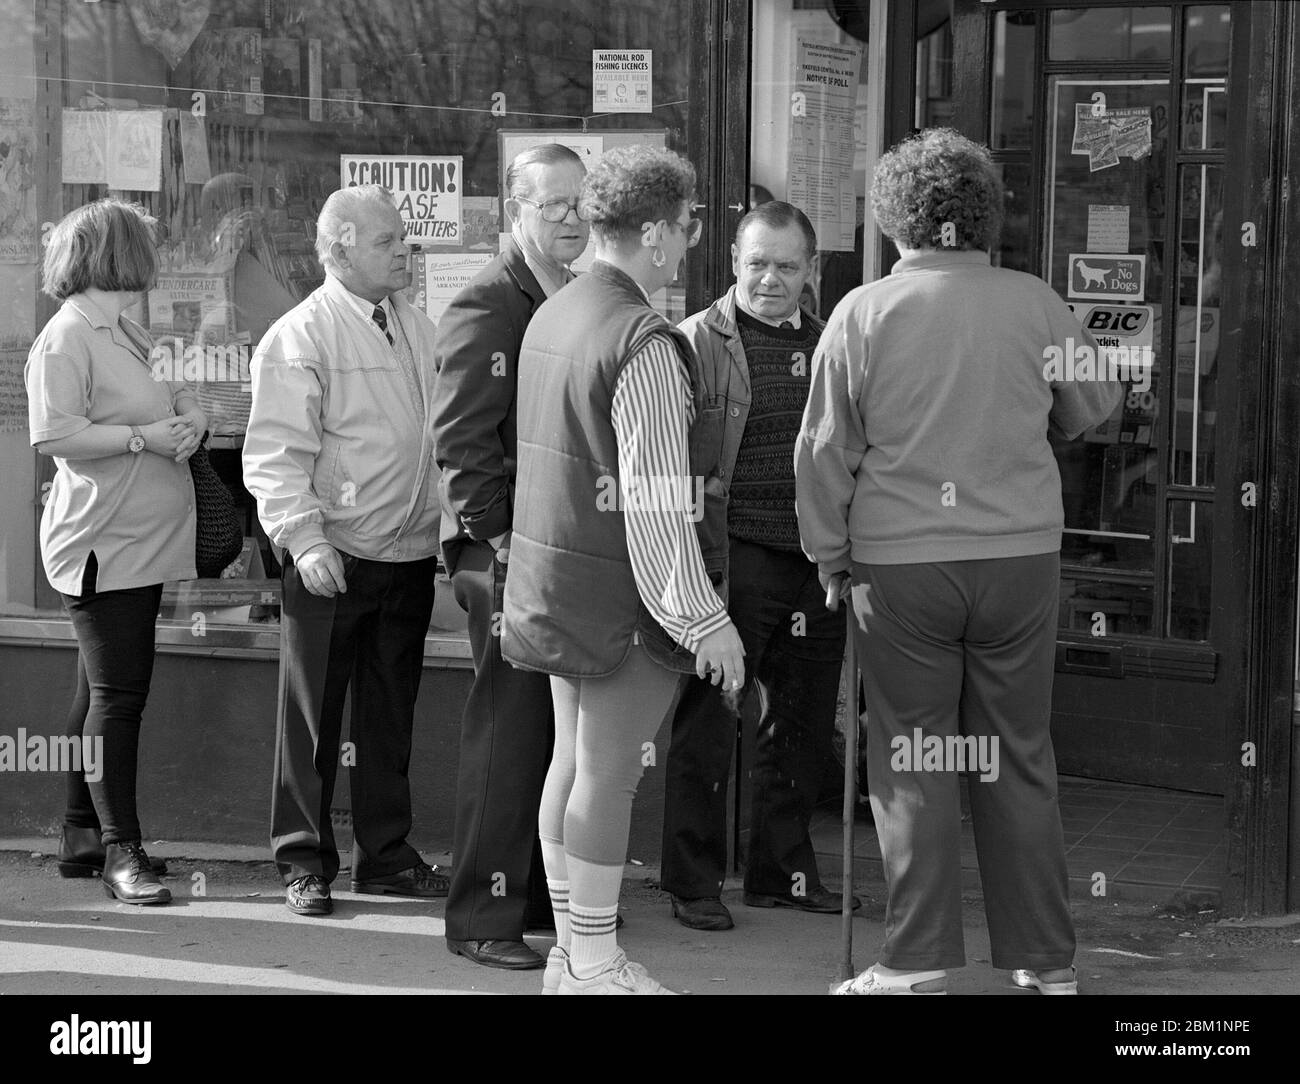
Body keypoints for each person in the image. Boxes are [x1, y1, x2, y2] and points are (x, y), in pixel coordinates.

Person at [796, 128, 1123, 995]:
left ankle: (916, 960)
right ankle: (1046, 962)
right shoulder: (1036, 301)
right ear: (985, 215)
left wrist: (830, 559)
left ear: (896, 220)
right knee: (1017, 754)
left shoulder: (861, 313)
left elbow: (823, 453)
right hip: (1018, 559)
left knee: (915, 760)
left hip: (900, 568)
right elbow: (1093, 404)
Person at [502, 144, 746, 994]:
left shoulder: (552, 313)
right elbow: (655, 502)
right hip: (621, 600)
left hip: (558, 584)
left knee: (571, 766)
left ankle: (577, 957)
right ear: (653, 231)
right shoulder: (643, 340)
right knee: (605, 778)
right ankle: (593, 960)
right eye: (685, 226)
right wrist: (704, 618)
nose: (689, 241)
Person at [243, 183, 446, 917]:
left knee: (390, 721)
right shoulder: (301, 335)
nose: (405, 252)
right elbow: (274, 452)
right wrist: (303, 538)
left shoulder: (418, 327)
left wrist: (444, 531)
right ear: (341, 249)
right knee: (312, 720)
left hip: (409, 554)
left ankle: (385, 858)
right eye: (389, 241)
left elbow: (435, 441)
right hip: (333, 556)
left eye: (404, 240)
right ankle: (303, 860)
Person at [661, 201, 860, 931]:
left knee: (799, 725)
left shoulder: (832, 343)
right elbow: (668, 459)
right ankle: (693, 883)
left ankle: (781, 874)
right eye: (756, 263)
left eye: (785, 266)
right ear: (734, 263)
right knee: (710, 720)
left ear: (810, 271)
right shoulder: (693, 344)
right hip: (731, 557)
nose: (769, 279)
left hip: (812, 559)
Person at [431, 144, 589, 970]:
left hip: (549, 553)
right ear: (515, 212)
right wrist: (499, 538)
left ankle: (531, 902)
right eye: (552, 205)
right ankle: (484, 921)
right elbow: (460, 439)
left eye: (578, 204)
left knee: (545, 737)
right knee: (508, 733)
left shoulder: (566, 294)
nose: (571, 218)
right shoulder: (488, 302)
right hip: (502, 556)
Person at [26, 198, 202, 905]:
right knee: (118, 698)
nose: (158, 256)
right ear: (123, 254)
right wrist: (144, 439)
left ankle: (81, 834)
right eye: (149, 245)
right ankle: (121, 850)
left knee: (95, 691)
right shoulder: (68, 336)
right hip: (105, 543)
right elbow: (53, 435)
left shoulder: (127, 328)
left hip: (140, 540)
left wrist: (188, 419)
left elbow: (175, 395)